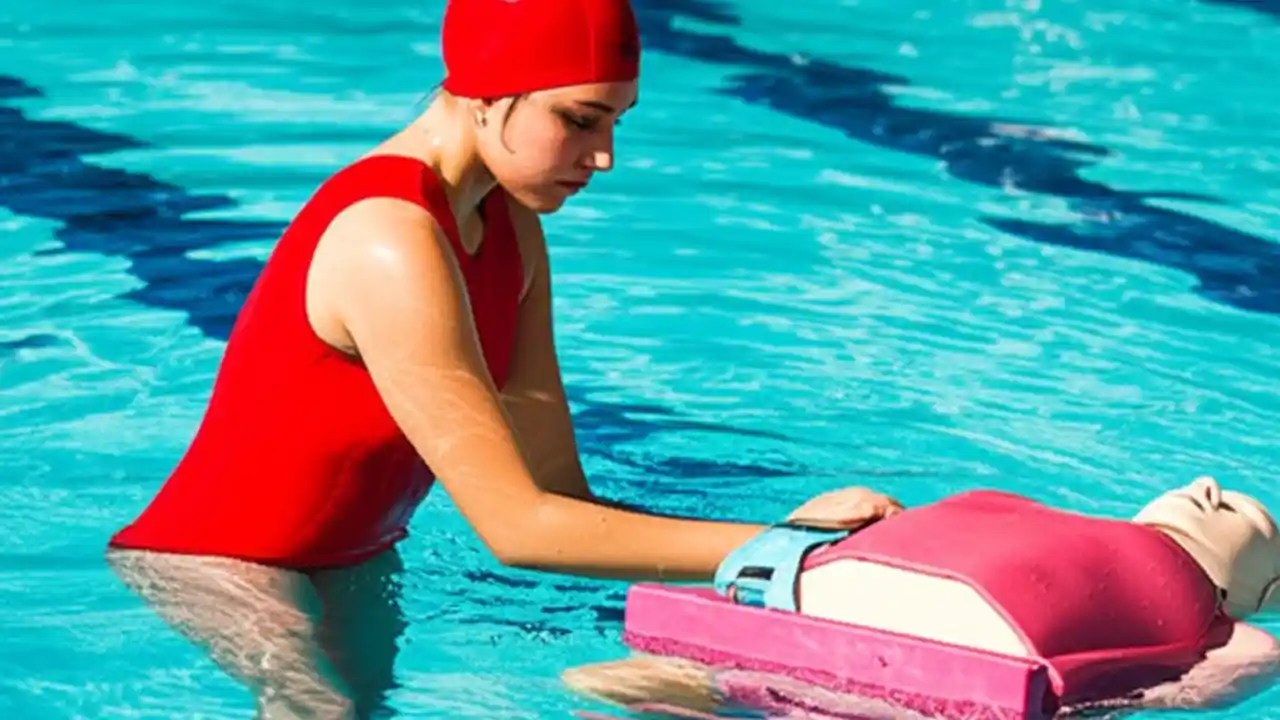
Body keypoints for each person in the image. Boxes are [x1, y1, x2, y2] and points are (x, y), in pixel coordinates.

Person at [103, 1, 896, 717]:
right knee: (322, 713)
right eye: (581, 119)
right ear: (487, 95)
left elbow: (555, 495)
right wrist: (784, 545)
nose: (604, 155)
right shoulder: (388, 239)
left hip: (353, 562)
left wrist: (755, 572)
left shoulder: (512, 230)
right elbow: (516, 529)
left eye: (617, 123)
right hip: (220, 565)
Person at [563, 476, 1280, 718]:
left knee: (769, 673)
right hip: (972, 652)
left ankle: (695, 682)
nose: (1211, 488)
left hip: (809, 599)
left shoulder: (1013, 509)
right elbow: (1180, 694)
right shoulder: (1221, 628)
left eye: (1241, 513)